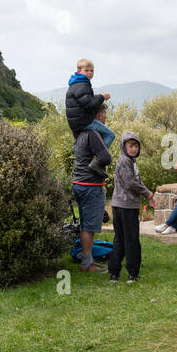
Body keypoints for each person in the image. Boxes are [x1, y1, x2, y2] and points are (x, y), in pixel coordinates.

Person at [108, 131, 153, 283]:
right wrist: (147, 193)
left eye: (136, 146)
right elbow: (131, 183)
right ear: (123, 146)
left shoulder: (131, 161)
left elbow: (137, 180)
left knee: (121, 239)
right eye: (130, 145)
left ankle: (114, 273)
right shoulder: (124, 161)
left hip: (123, 205)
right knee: (130, 239)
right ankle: (132, 273)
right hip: (125, 206)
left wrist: (148, 194)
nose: (134, 149)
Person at [72, 105, 112, 272]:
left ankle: (86, 257)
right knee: (89, 225)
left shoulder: (80, 133)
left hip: (79, 183)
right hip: (91, 185)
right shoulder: (93, 134)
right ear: (98, 115)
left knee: (84, 223)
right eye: (104, 114)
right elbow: (105, 157)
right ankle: (87, 264)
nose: (105, 118)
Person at [65, 58, 115, 147]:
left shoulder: (76, 83)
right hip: (84, 122)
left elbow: (85, 99)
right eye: (86, 70)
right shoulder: (82, 85)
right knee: (110, 135)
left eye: (91, 71)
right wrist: (102, 97)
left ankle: (93, 154)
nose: (89, 73)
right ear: (79, 71)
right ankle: (99, 156)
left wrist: (99, 96)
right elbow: (89, 104)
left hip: (76, 123)